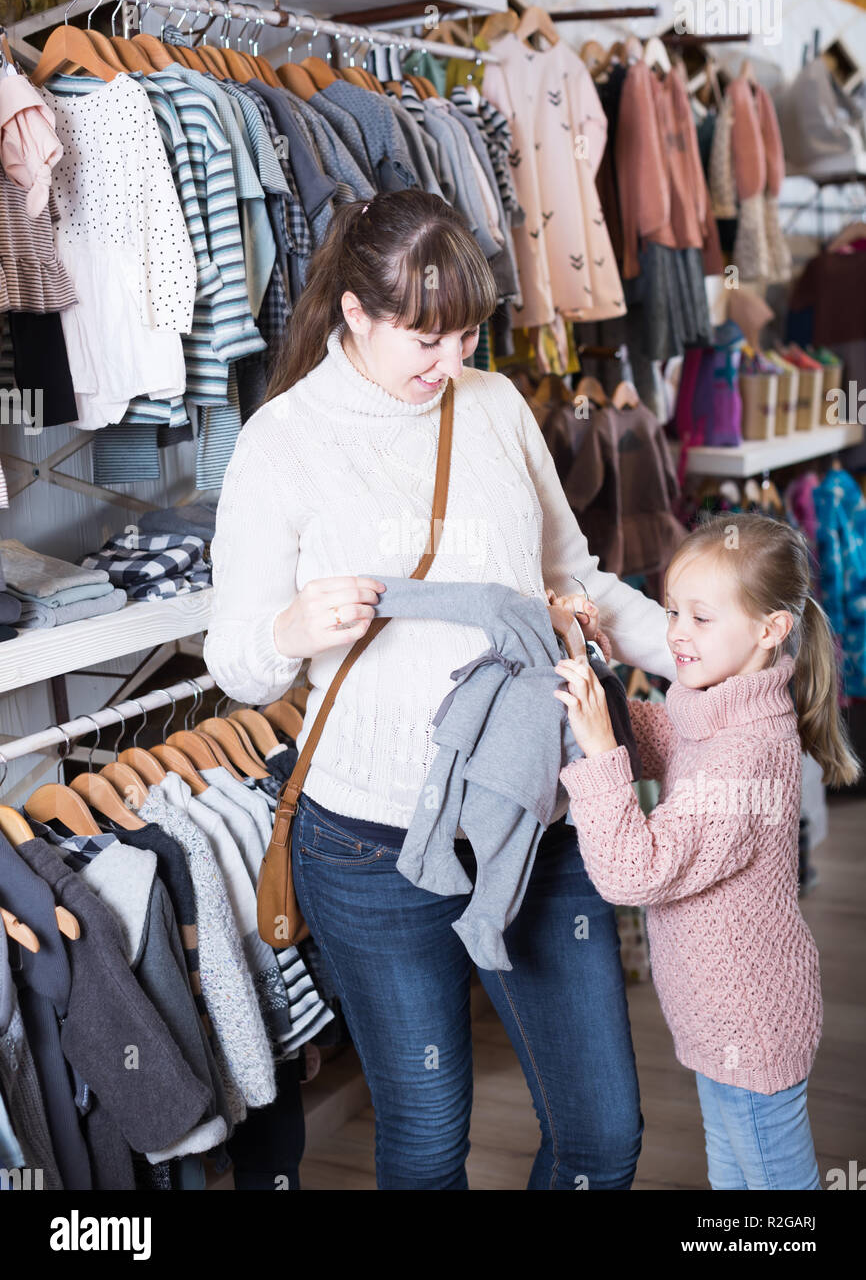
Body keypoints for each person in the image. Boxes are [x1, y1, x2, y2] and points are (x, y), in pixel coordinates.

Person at [203, 188, 677, 1190]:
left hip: (534, 816)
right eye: (425, 339)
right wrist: (292, 628)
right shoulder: (281, 443)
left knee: (601, 1136)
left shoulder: (495, 404)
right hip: (370, 847)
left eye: (467, 335)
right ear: (355, 314)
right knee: (423, 1145)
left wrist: (698, 655)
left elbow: (573, 579)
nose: (451, 363)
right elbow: (238, 663)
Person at [554, 512, 861, 1191]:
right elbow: (668, 734)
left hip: (748, 1022)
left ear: (769, 630)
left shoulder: (746, 758)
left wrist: (602, 753)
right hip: (720, 1017)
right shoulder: (721, 708)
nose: (676, 635)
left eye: (700, 617)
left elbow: (635, 871)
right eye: (670, 613)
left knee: (774, 1190)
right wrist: (602, 679)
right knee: (733, 1174)